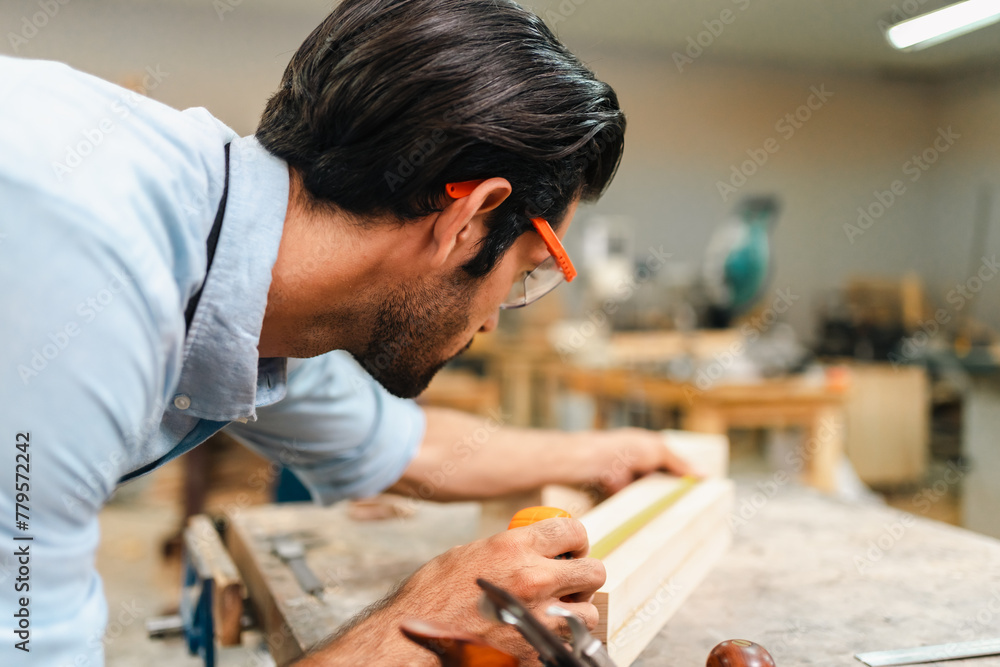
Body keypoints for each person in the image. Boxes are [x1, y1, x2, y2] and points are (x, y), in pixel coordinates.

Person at [0, 0, 689, 663]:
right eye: (525, 273)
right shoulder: (90, 284)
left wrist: (609, 452)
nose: (492, 317)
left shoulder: (247, 255)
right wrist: (414, 631)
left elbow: (401, 445)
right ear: (469, 217)